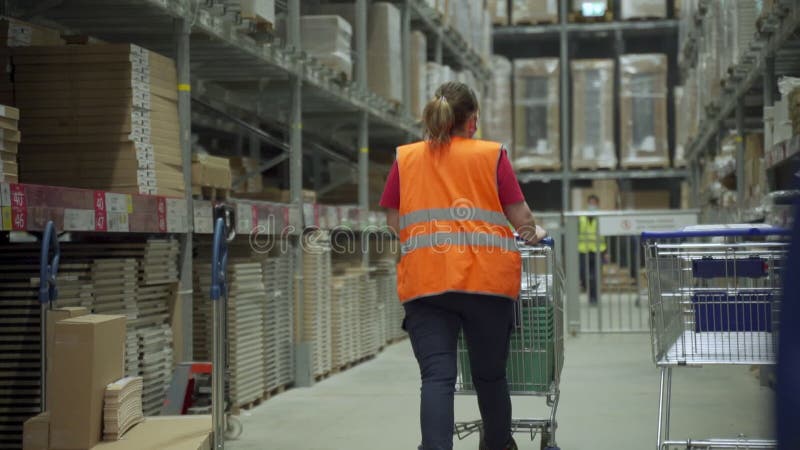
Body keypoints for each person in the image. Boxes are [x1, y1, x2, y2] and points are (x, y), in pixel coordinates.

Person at [379, 81, 546, 450]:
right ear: (471, 120)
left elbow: (394, 222)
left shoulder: (406, 159)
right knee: (489, 376)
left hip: (426, 286)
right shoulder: (490, 156)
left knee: (437, 378)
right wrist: (534, 231)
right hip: (486, 286)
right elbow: (522, 219)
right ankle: (498, 445)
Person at [578, 195, 606, 305]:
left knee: (595, 275)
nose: (592, 205)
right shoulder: (581, 217)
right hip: (583, 249)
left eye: (594, 203)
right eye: (590, 203)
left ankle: (593, 298)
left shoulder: (601, 217)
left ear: (597, 204)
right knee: (583, 274)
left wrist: (607, 252)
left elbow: (606, 235)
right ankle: (588, 290)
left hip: (598, 250)